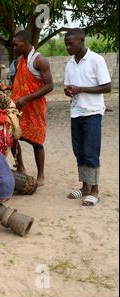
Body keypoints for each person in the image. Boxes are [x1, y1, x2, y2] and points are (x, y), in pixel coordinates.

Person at [64, 28, 111, 206]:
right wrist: (69, 91)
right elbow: (71, 87)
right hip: (76, 112)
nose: (68, 47)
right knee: (80, 151)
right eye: (66, 44)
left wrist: (81, 89)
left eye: (71, 43)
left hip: (92, 112)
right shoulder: (70, 64)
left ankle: (95, 191)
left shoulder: (96, 60)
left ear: (81, 41)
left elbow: (106, 87)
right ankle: (84, 188)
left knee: (91, 151)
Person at [10, 30, 53, 186]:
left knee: (37, 142)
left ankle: (41, 175)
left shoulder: (39, 60)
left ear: (26, 42)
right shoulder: (19, 61)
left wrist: (26, 98)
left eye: (16, 44)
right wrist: (7, 87)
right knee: (13, 137)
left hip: (34, 108)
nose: (14, 47)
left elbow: (49, 86)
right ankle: (20, 166)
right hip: (18, 107)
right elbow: (20, 84)